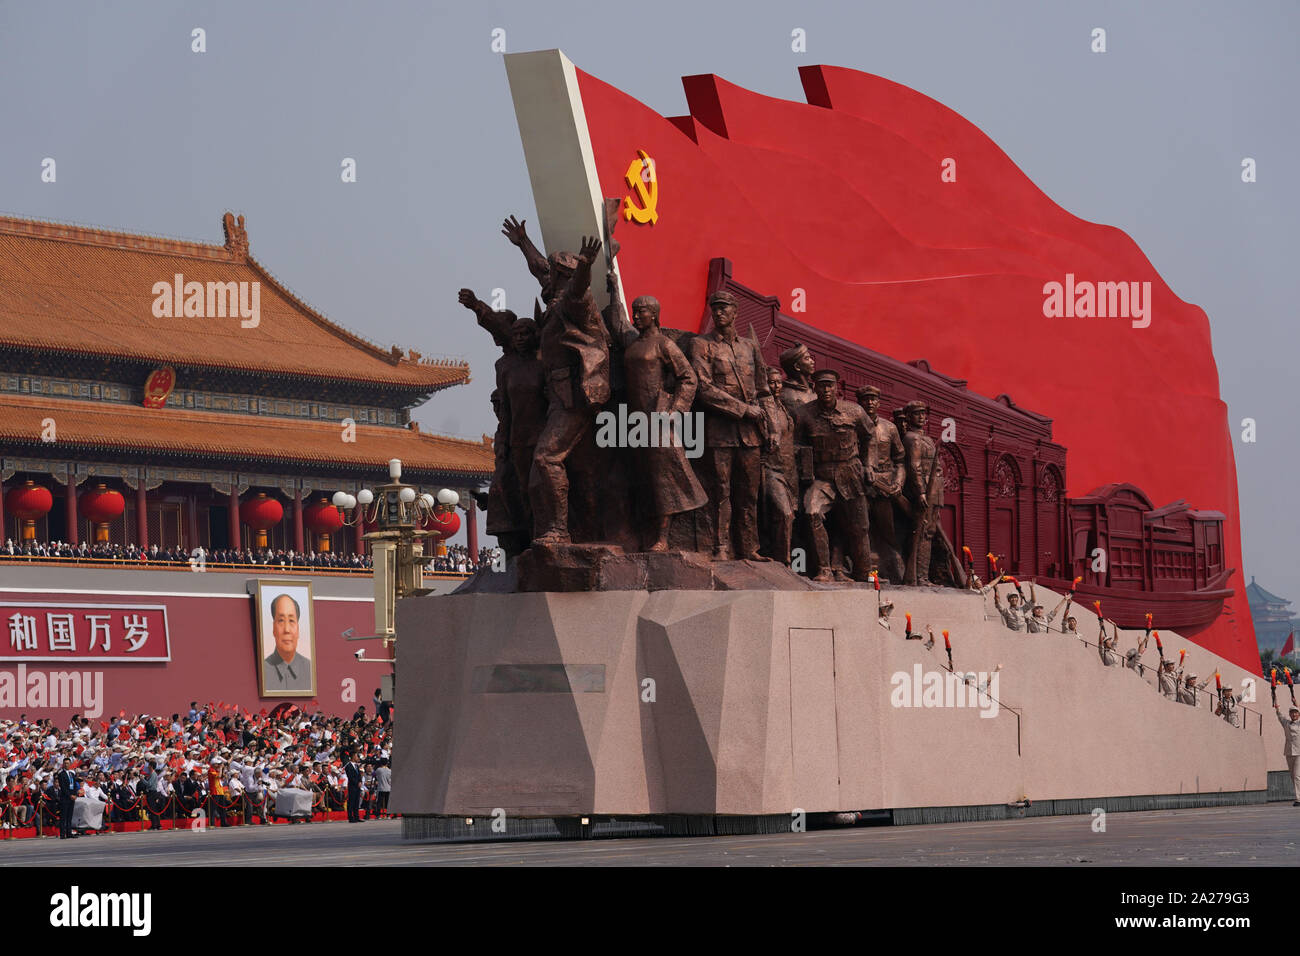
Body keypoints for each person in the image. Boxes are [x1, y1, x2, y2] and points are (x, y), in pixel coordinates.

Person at [690, 289, 773, 561]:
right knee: (721, 491)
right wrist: (743, 410)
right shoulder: (701, 345)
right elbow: (703, 387)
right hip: (720, 431)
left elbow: (763, 391)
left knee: (749, 493)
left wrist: (771, 427)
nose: (719, 312)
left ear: (735, 312)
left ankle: (750, 548)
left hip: (751, 435)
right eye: (715, 308)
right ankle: (720, 546)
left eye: (725, 308)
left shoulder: (750, 347)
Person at [792, 369, 873, 582]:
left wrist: (868, 465)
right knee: (812, 512)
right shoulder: (803, 414)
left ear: (836, 387)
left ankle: (864, 573)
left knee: (859, 526)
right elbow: (796, 444)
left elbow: (869, 438)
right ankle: (824, 569)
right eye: (821, 385)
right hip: (822, 476)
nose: (826, 389)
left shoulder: (854, 412)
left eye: (830, 385)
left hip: (850, 473)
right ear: (815, 387)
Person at [263, 593, 312, 692]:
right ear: (273, 628)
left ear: (298, 629)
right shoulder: (263, 670)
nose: (287, 629)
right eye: (281, 620)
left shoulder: (310, 669)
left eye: (291, 620)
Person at [1274, 702, 1300, 806]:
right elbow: (1279, 715)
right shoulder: (1286, 723)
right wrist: (1277, 707)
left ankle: (1298, 799)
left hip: (1299, 752)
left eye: (1296, 713)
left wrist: (1296, 703)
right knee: (1293, 776)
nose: (1294, 715)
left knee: (1297, 776)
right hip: (1289, 752)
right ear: (1289, 714)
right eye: (1292, 713)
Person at [55, 762, 77, 839]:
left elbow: (74, 785)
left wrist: (75, 794)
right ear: (63, 765)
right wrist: (70, 795)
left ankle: (69, 833)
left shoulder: (72, 774)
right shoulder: (61, 774)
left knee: (69, 816)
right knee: (63, 816)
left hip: (72, 797)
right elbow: (63, 787)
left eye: (68, 763)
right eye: (65, 763)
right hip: (65, 797)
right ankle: (62, 833)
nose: (67, 765)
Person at [343, 752, 362, 823]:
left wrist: (360, 781)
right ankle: (350, 817)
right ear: (353, 756)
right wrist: (356, 782)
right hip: (352, 786)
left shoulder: (356, 766)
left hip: (357, 786)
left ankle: (356, 816)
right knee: (351, 802)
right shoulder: (348, 766)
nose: (357, 758)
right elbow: (350, 777)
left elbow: (359, 775)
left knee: (357, 801)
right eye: (357, 756)